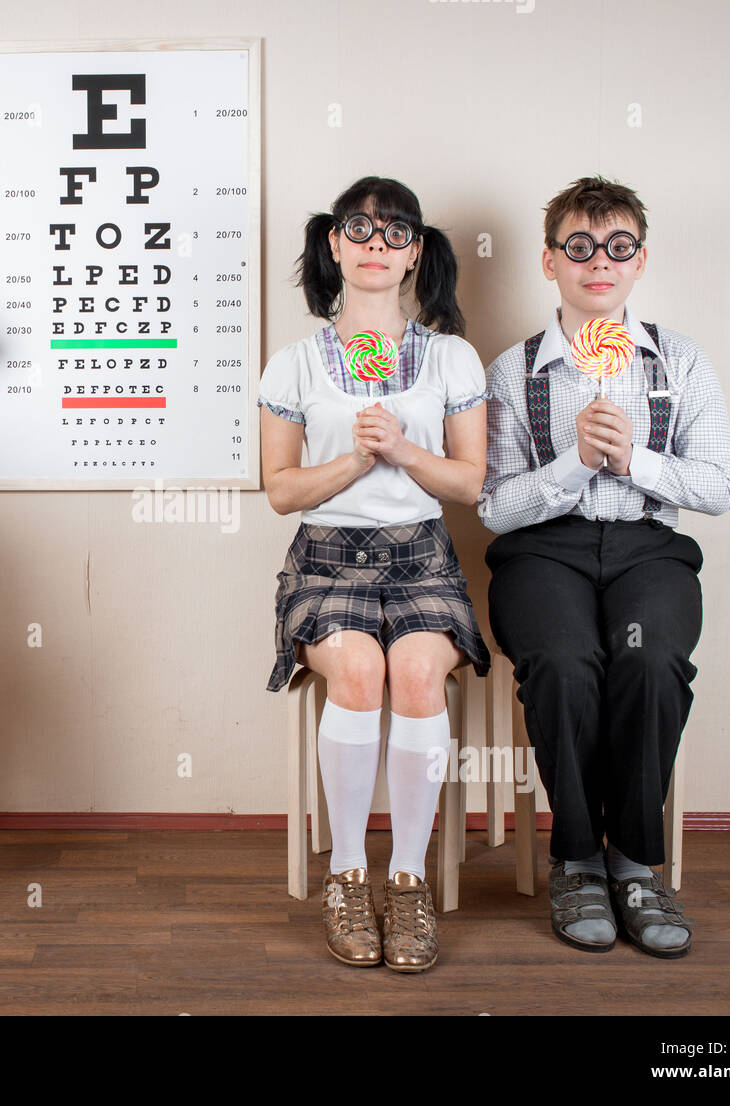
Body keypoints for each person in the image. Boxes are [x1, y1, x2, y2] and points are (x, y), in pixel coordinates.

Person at [479, 176, 730, 958]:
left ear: (640, 261)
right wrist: (569, 465)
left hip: (647, 551)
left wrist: (638, 461)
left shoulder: (681, 362)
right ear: (551, 262)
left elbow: (720, 488)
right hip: (543, 551)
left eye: (618, 247)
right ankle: (579, 859)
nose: (601, 262)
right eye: (580, 247)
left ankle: (634, 861)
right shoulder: (511, 372)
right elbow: (493, 506)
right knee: (563, 663)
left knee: (649, 659)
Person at [260, 176, 491, 972]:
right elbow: (281, 492)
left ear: (416, 253)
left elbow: (469, 484)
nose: (376, 245)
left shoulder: (450, 357)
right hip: (326, 560)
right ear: (334, 242)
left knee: (416, 673)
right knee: (358, 669)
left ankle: (408, 880)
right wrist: (354, 460)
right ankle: (349, 875)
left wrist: (401, 451)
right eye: (360, 228)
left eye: (396, 234)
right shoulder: (294, 364)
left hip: (423, 556)